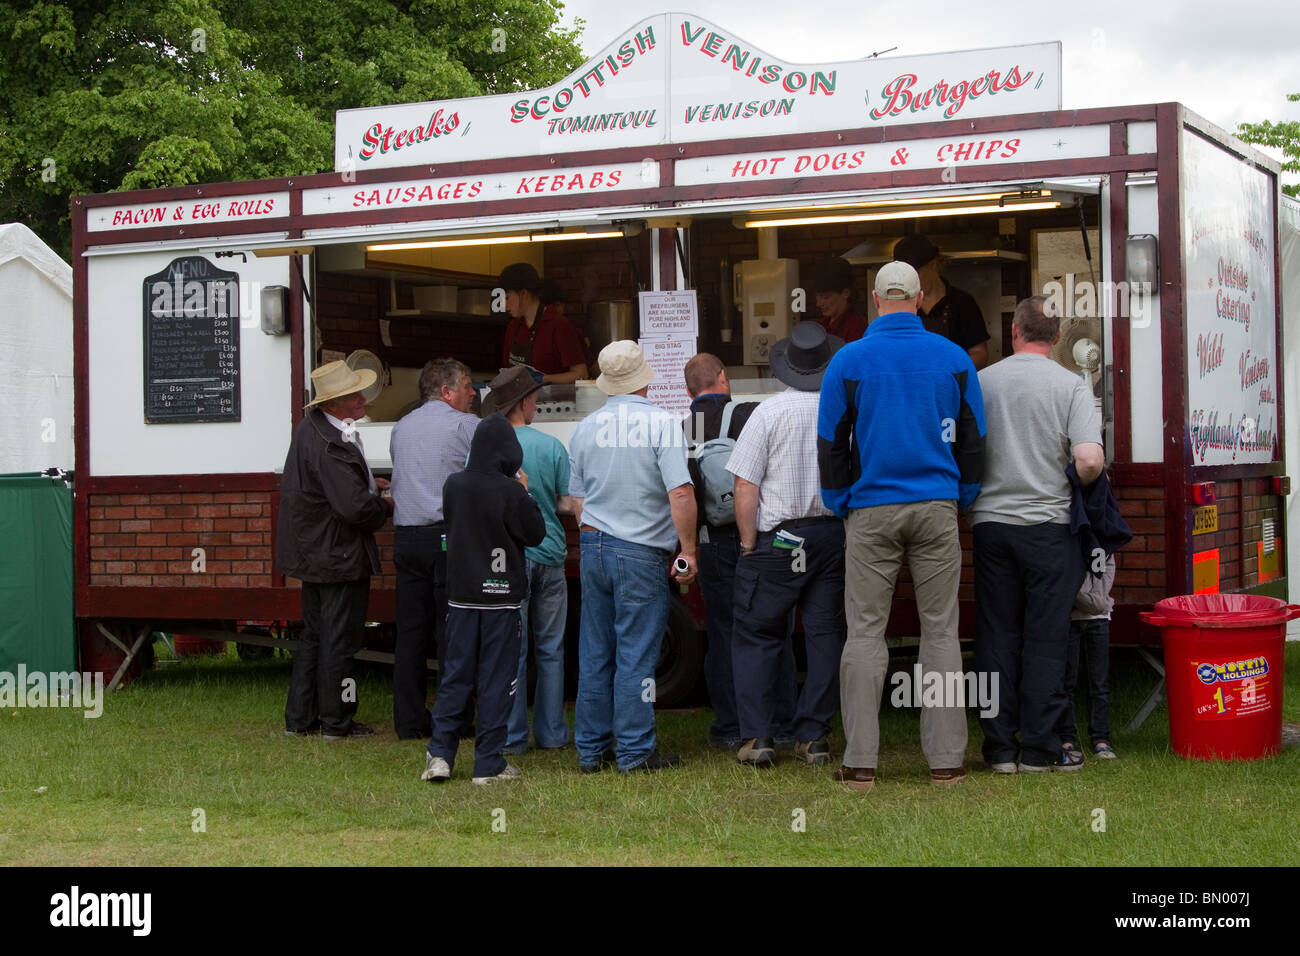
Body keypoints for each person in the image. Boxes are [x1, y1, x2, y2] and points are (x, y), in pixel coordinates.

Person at [818, 261, 986, 790]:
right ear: (918, 299)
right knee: (941, 632)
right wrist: (962, 495)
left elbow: (830, 444)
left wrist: (842, 500)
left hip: (869, 510)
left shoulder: (847, 360)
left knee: (865, 631)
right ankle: (947, 761)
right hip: (937, 505)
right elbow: (975, 440)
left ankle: (861, 762)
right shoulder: (955, 357)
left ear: (873, 299)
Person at [970, 294, 1104, 773]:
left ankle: (1000, 749)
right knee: (1047, 638)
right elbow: (1089, 458)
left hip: (990, 526)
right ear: (1059, 336)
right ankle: (1043, 749)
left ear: (1014, 331)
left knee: (996, 636)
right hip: (1049, 526)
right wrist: (1073, 481)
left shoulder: (982, 382)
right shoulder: (1072, 385)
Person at [568, 340, 698, 773]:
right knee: (637, 655)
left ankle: (590, 750)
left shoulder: (585, 427)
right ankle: (635, 751)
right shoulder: (662, 423)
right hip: (640, 550)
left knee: (595, 651)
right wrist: (689, 550)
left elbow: (577, 499)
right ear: (643, 380)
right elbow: (679, 491)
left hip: (594, 544)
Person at [728, 322, 846, 768]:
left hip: (778, 539)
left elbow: (745, 484)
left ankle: (759, 737)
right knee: (824, 634)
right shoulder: (841, 411)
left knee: (758, 634)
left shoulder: (766, 413)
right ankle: (813, 736)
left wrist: (747, 543)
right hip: (830, 534)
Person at [682, 353, 799, 751]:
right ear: (723, 377)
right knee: (771, 629)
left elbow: (684, 492)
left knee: (723, 631)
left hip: (711, 543)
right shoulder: (750, 413)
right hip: (757, 536)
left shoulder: (683, 428)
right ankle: (781, 724)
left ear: (688, 390)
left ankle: (731, 726)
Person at [421, 413, 546, 784]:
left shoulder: (453, 485)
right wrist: (524, 491)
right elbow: (535, 534)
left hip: (461, 597)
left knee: (455, 676)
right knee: (498, 680)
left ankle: (440, 754)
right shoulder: (510, 491)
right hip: (502, 599)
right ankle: (488, 763)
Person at [278, 360, 393, 740]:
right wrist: (384, 504)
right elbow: (354, 508)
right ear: (334, 403)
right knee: (340, 641)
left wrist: (365, 484)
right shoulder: (330, 441)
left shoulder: (312, 430)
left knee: (314, 635)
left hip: (316, 552)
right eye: (354, 394)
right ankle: (337, 720)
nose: (362, 399)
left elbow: (335, 490)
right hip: (338, 553)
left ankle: (301, 718)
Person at [482, 365, 576, 753]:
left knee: (513, 649)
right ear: (523, 404)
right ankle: (552, 733)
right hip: (550, 549)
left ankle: (514, 735)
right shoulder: (551, 446)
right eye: (535, 400)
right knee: (552, 648)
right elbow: (568, 501)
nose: (538, 405)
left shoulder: (485, 448)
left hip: (510, 556)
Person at [388, 358, 478, 739]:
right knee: (451, 631)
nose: (474, 394)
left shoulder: (401, 427)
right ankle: (452, 718)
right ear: (447, 391)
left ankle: (408, 720)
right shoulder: (467, 425)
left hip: (406, 536)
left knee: (410, 633)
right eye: (468, 386)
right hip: (446, 536)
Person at [892, 234, 991, 370]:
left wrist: (951, 373)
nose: (911, 280)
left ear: (933, 264)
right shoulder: (900, 306)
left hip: (952, 387)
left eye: (916, 273)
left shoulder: (962, 302)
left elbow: (979, 353)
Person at [1057, 555, 1119, 760]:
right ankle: (1067, 737)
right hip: (1069, 618)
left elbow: (1105, 580)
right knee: (1067, 682)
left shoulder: (1104, 549)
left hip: (1099, 620)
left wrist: (1095, 605)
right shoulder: (1068, 545)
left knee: (1099, 684)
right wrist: (1100, 604)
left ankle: (1101, 738)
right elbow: (1069, 588)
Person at [498, 262, 589, 384]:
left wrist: (543, 379)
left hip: (556, 401)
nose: (504, 304)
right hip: (522, 402)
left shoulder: (559, 325)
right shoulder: (513, 328)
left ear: (523, 294)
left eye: (507, 297)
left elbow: (581, 374)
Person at [808, 257, 868, 342]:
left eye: (826, 297)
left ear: (845, 293)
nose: (818, 304)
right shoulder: (822, 325)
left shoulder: (856, 327)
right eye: (817, 297)